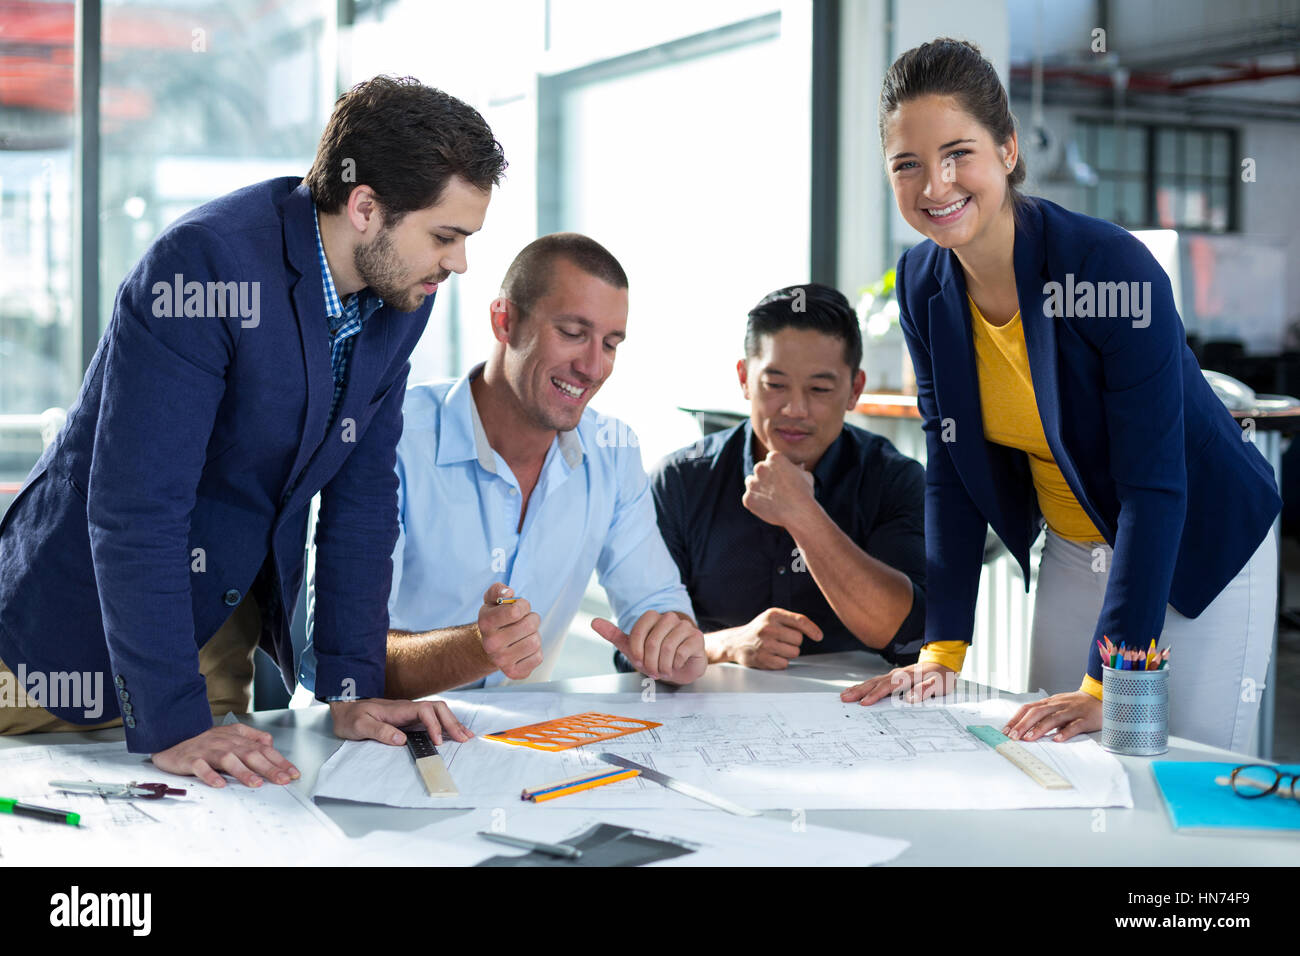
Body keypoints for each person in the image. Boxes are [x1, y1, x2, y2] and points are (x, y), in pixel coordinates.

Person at [0, 76, 507, 786]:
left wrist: (353, 689)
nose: (458, 263)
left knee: (213, 820)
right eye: (444, 236)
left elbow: (362, 503)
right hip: (60, 640)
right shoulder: (206, 264)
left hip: (213, 632)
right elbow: (137, 507)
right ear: (366, 208)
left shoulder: (401, 296)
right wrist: (171, 720)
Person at [843, 39, 1280, 753]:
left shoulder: (1107, 269)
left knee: (1183, 770)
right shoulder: (922, 284)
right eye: (907, 163)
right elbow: (951, 467)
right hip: (1079, 549)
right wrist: (941, 649)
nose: (935, 185)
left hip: (1201, 542)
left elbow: (1154, 487)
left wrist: (1110, 681)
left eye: (958, 154)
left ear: (1008, 149)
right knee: (1054, 761)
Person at [294, 233, 707, 700]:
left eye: (610, 344)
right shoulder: (392, 438)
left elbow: (657, 605)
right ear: (504, 320)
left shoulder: (613, 451)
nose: (593, 368)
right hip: (359, 732)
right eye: (572, 334)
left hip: (505, 739)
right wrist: (475, 648)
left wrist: (675, 644)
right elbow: (338, 658)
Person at [648, 283, 926, 672]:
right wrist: (726, 645)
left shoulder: (895, 480)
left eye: (819, 388)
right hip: (712, 703)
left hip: (854, 705)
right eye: (775, 385)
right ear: (744, 379)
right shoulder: (679, 481)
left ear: (855, 389)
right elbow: (637, 645)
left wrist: (802, 514)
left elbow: (910, 636)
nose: (795, 409)